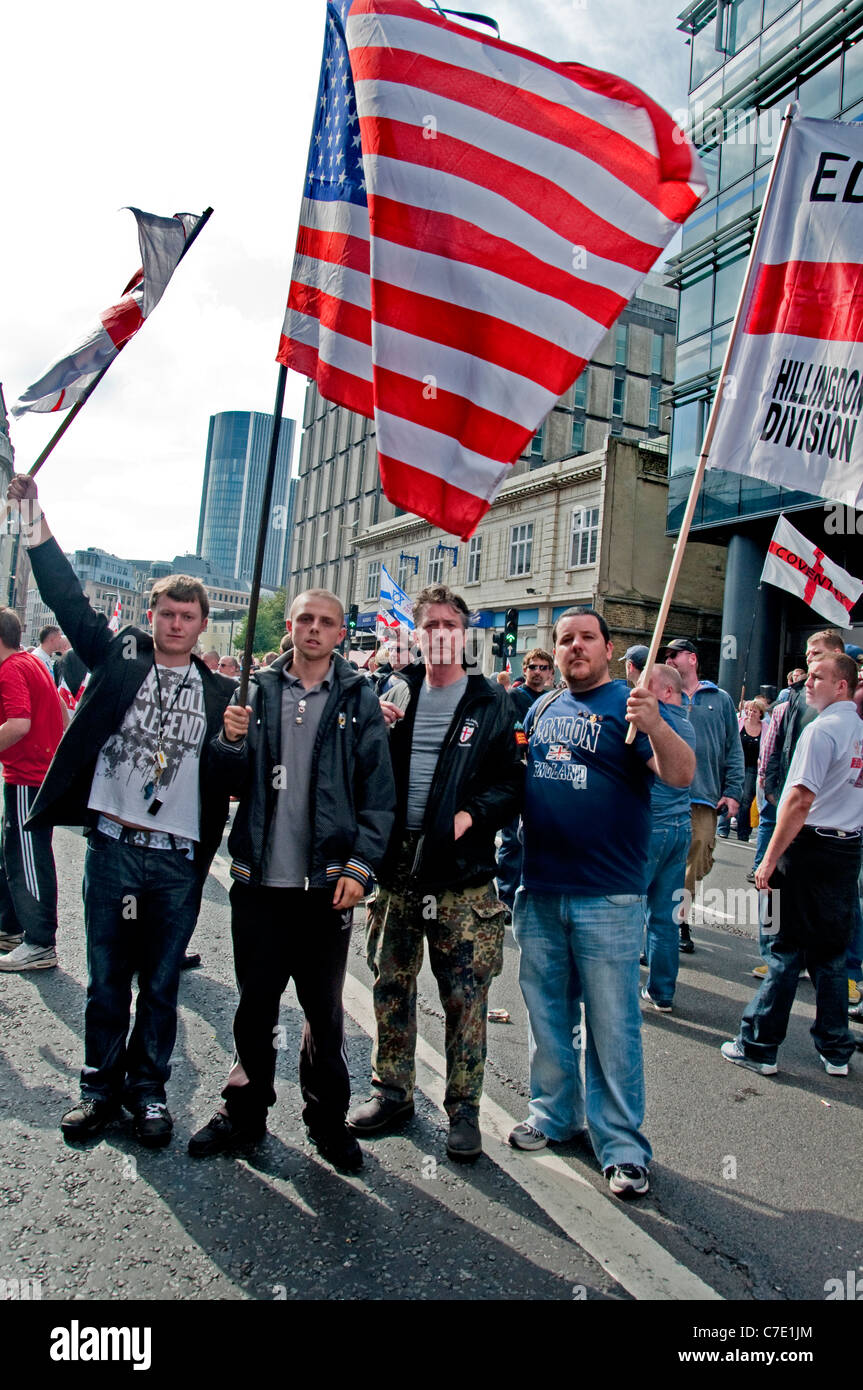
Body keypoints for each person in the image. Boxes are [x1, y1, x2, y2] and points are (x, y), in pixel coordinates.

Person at [6, 473, 236, 1149]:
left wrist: (236, 741)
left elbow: (234, 776)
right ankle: (98, 1090)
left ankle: (148, 1092)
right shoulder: (120, 657)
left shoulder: (223, 692)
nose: (174, 624)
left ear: (201, 625)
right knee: (108, 983)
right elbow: (66, 599)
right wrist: (34, 520)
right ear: (152, 614)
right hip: (113, 849)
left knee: (160, 988)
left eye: (187, 617)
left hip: (175, 862)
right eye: (166, 613)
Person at [188, 589, 394, 1172]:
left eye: (326, 621)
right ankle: (244, 1112)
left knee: (323, 1013)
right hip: (259, 883)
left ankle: (327, 1122)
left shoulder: (358, 698)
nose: (313, 628)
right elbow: (222, 781)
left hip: (327, 888)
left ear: (339, 634)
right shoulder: (256, 689)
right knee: (254, 1008)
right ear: (291, 626)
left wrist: (361, 867)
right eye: (305, 618)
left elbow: (379, 797)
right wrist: (228, 740)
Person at [509, 608, 694, 1198]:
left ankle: (621, 1146)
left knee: (613, 1023)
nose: (575, 647)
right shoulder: (541, 708)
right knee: (547, 1014)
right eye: (565, 639)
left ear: (608, 649)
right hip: (540, 889)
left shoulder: (631, 704)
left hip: (608, 896)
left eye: (587, 637)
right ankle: (554, 1114)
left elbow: (682, 776)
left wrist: (658, 726)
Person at [348, 584, 523, 1162]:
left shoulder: (490, 702)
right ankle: (393, 1090)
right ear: (417, 633)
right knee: (390, 982)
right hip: (398, 870)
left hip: (461, 874)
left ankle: (463, 1109)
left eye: (453, 624)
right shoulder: (397, 692)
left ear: (464, 633)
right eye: (432, 625)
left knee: (465, 996)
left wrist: (471, 815)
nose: (442, 633)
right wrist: (373, 724)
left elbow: (512, 783)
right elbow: (358, 769)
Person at [722, 653, 862, 1078]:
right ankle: (836, 1049)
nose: (808, 683)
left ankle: (759, 1045)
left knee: (784, 947)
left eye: (818, 677)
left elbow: (799, 800)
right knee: (830, 953)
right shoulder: (857, 730)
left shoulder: (823, 731)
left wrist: (768, 859)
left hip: (806, 849)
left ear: (842, 686)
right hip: (844, 848)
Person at [662, 637, 744, 954]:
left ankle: (677, 917)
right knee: (665, 863)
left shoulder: (719, 699)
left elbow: (732, 749)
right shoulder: (664, 695)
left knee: (696, 864)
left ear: (692, 659)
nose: (668, 660)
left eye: (674, 655)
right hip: (667, 795)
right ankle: (668, 923)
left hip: (704, 798)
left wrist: (734, 791)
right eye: (665, 657)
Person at [0, 609, 64, 972]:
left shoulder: (10, 669)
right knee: (14, 852)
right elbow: (57, 707)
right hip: (37, 770)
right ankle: (9, 927)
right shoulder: (30, 662)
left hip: (28, 774)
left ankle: (39, 941)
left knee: (27, 856)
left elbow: (19, 723)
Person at [640, 663, 696, 1013]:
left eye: (648, 685)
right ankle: (662, 992)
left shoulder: (655, 724)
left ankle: (619, 988)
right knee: (664, 917)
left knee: (627, 910)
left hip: (651, 825)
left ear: (666, 692)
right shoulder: (687, 724)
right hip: (679, 827)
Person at [496, 647, 555, 914]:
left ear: (551, 672)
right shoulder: (514, 697)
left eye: (543, 668)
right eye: (533, 667)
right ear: (525, 670)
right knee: (512, 840)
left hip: (545, 778)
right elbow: (512, 732)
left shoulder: (555, 700)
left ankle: (531, 894)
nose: (538, 673)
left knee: (540, 839)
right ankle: (507, 898)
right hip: (517, 774)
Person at [717, 697, 768, 842]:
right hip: (735, 764)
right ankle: (723, 828)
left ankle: (743, 831)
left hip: (752, 767)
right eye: (749, 710)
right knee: (728, 793)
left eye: (754, 711)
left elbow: (766, 747)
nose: (751, 713)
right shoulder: (739, 723)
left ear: (760, 713)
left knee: (746, 799)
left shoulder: (765, 728)